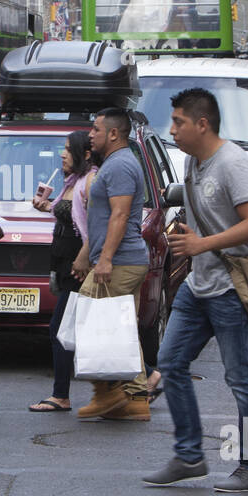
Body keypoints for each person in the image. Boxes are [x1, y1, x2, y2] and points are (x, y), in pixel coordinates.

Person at [141, 89, 248, 491]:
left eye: (178, 122)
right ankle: (190, 455)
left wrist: (202, 244)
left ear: (202, 124)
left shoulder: (233, 164)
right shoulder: (191, 162)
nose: (172, 130)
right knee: (170, 361)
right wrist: (187, 237)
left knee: (241, 379)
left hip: (232, 286)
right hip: (199, 284)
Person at [72, 108, 156, 421]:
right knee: (121, 330)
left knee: (92, 323)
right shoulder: (116, 164)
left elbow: (120, 216)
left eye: (95, 129)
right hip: (121, 260)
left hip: (120, 262)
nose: (90, 135)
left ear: (113, 134)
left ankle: (107, 393)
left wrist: (105, 258)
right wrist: (86, 254)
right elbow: (104, 218)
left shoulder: (120, 166)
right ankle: (134, 399)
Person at [29, 130, 97, 412]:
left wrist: (83, 259)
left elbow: (96, 225)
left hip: (78, 268)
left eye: (69, 149)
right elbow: (69, 214)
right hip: (63, 265)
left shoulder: (91, 180)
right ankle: (146, 376)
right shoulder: (73, 181)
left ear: (86, 153)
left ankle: (61, 394)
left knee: (62, 328)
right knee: (79, 329)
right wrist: (47, 206)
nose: (62, 154)